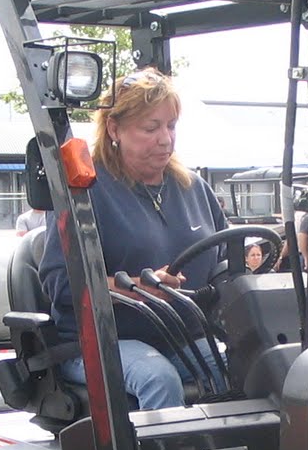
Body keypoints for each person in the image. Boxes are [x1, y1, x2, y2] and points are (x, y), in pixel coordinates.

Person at [40, 66, 229, 409]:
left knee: (248, 365)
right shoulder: (85, 191)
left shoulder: (193, 188)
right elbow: (60, 283)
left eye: (171, 126)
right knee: (158, 378)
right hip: (102, 341)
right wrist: (137, 288)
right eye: (151, 128)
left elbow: (225, 259)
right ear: (115, 129)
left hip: (178, 336)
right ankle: (165, 448)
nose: (165, 139)